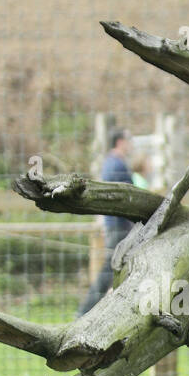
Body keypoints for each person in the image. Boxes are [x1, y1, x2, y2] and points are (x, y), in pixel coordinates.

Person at [77, 129, 136, 315]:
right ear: (120, 142)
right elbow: (126, 194)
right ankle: (86, 311)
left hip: (117, 223)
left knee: (117, 267)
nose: (131, 145)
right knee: (111, 269)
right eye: (129, 141)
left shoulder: (111, 163)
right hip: (119, 224)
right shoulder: (116, 165)